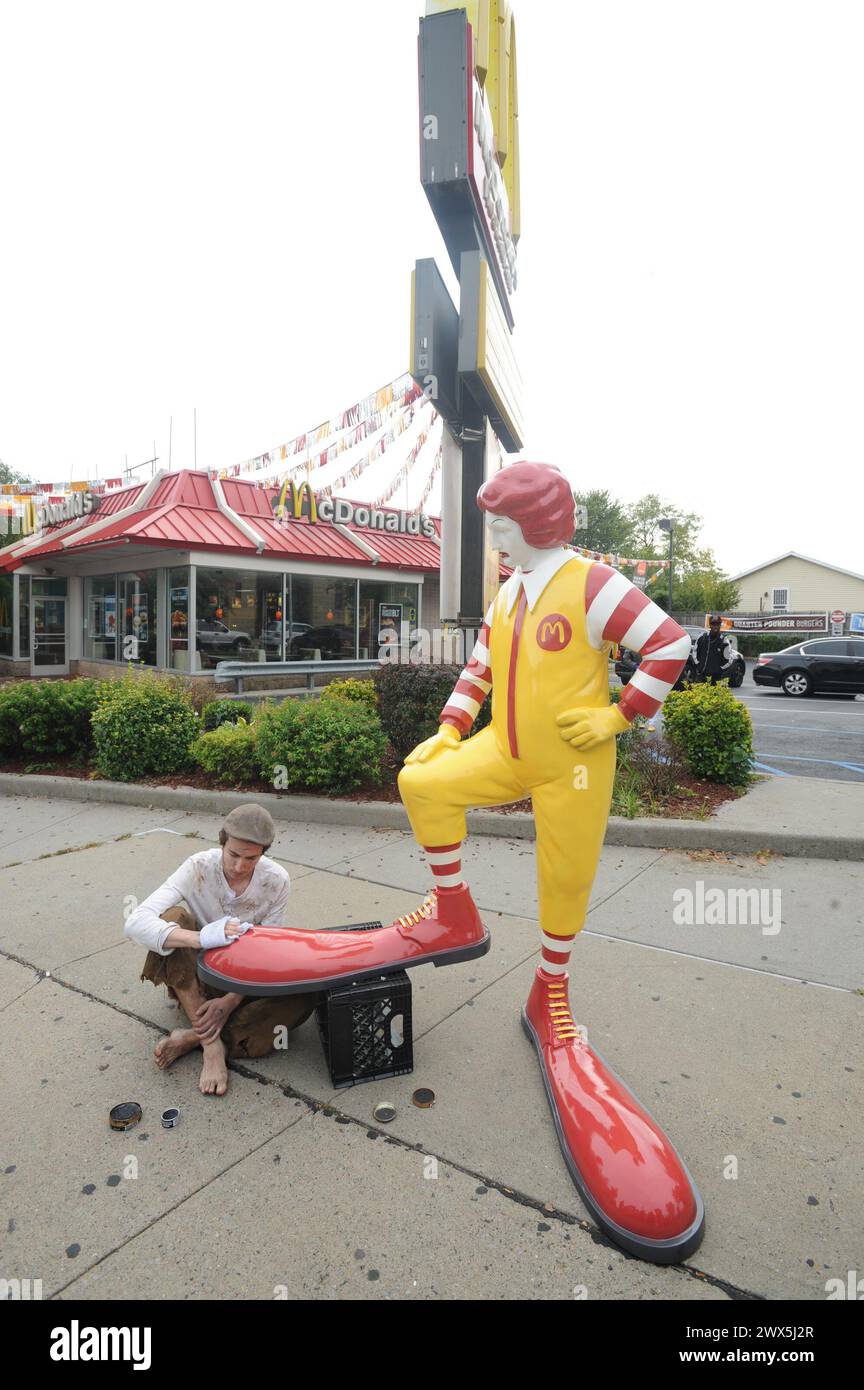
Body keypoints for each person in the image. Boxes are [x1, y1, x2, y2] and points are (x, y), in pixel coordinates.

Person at [200, 463, 705, 1263]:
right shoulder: (508, 594)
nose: (494, 539)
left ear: (537, 522)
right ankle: (451, 912)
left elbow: (672, 646)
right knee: (419, 779)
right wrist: (448, 726)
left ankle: (553, 995)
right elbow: (479, 667)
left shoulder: (593, 583)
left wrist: (615, 715)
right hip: (506, 750)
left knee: (563, 879)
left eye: (503, 525)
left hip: (574, 762)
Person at [124, 804, 319, 1097]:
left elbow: (267, 949)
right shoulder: (198, 867)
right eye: (234, 855)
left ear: (263, 853)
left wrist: (230, 1001)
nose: (240, 866)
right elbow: (135, 922)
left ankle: (193, 1037)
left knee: (305, 995)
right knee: (174, 919)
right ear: (222, 843)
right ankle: (212, 1047)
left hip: (246, 981)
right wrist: (202, 938)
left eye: (251, 858)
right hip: (197, 978)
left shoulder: (276, 880)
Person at [695, 615, 735, 684]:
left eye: (718, 624)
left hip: (716, 678)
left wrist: (720, 669)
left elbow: (730, 659)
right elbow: (695, 652)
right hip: (701, 676)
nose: (715, 626)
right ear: (710, 625)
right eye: (713, 624)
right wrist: (698, 664)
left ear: (720, 625)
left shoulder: (724, 641)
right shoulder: (702, 637)